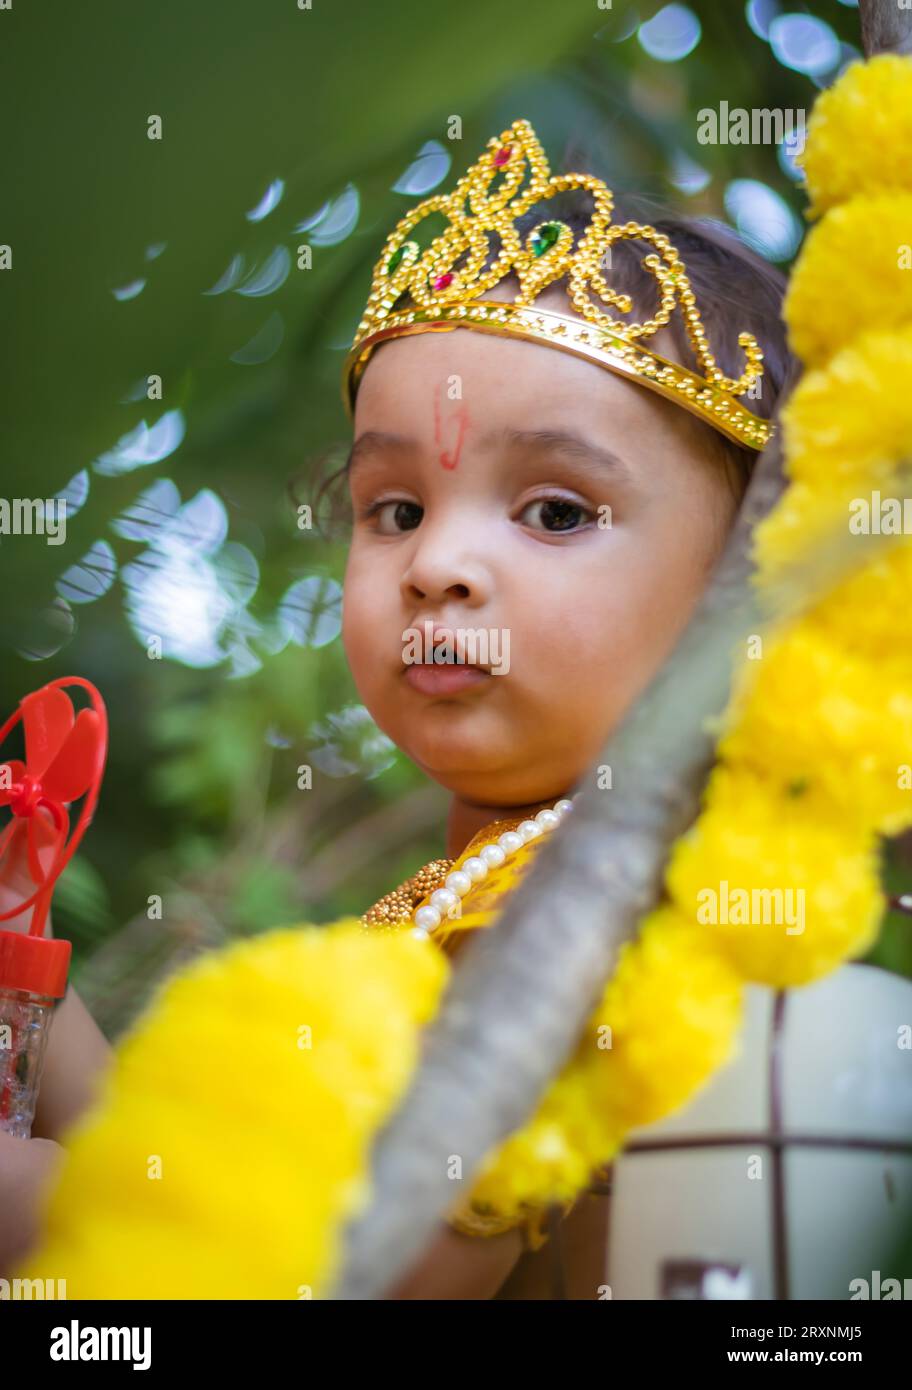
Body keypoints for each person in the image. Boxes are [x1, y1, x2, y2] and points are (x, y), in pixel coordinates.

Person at [3, 119, 799, 1298]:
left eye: (557, 511)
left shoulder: (605, 917)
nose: (437, 566)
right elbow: (183, 1197)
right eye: (394, 510)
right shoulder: (489, 882)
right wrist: (34, 971)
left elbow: (312, 1263)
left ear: (749, 586)